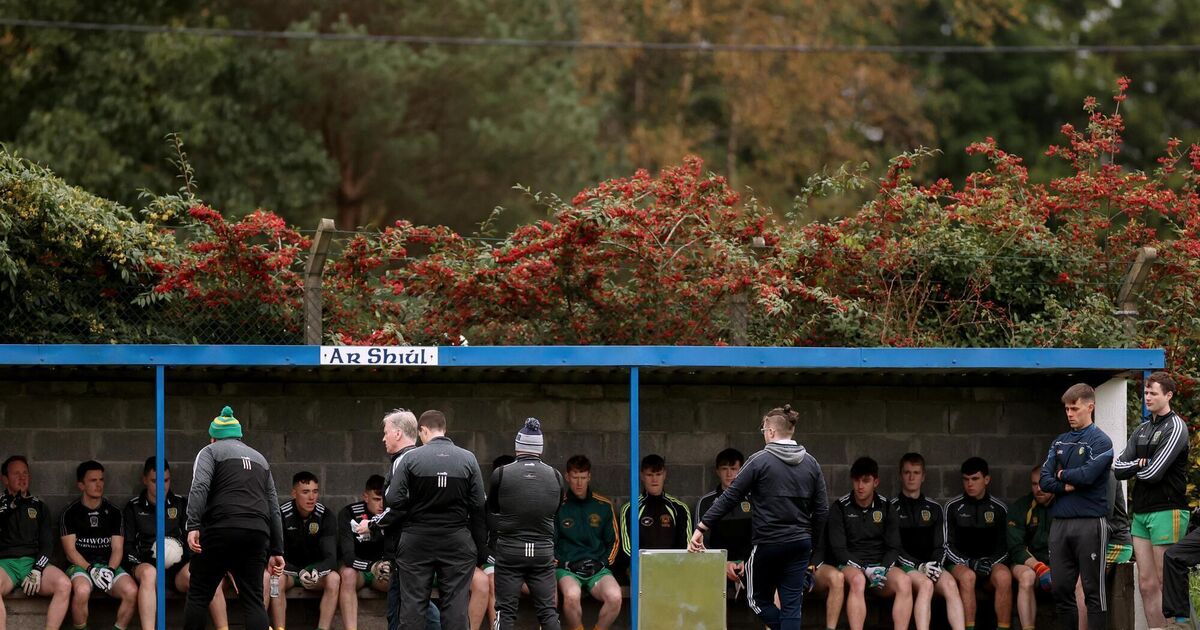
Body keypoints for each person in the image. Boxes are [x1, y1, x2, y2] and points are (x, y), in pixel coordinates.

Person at [689, 404, 829, 630]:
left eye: (763, 430)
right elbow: (822, 510)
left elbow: (730, 497)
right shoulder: (811, 463)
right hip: (800, 544)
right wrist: (810, 544)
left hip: (768, 544)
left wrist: (701, 527)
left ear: (771, 432)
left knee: (755, 599)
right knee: (792, 606)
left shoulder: (759, 460)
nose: (763, 434)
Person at [183, 405, 286, 630]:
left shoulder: (209, 452)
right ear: (240, 436)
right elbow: (274, 507)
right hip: (256, 533)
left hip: (220, 529)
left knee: (199, 594)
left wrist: (193, 524)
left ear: (213, 437)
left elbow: (199, 487)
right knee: (254, 600)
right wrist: (277, 550)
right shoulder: (260, 459)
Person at [389, 409, 488, 629]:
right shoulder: (468, 459)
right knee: (455, 608)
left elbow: (393, 499)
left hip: (416, 541)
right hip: (456, 540)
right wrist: (481, 549)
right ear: (444, 429)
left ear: (423, 430)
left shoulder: (411, 458)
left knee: (413, 607)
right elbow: (479, 505)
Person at [1113, 371, 1189, 630]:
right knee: (1146, 583)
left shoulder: (1176, 426)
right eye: (1145, 393)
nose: (1147, 397)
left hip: (1168, 510)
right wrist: (1138, 463)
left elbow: (1154, 473)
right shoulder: (1142, 429)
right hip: (1141, 512)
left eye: (1153, 393)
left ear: (1168, 395)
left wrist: (1136, 467)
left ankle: (1176, 627)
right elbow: (1118, 467)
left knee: (1166, 579)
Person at [1040, 383, 1114, 630]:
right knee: (1060, 588)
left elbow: (1088, 476)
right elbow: (1043, 480)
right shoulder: (1059, 441)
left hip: (1090, 523)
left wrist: (1060, 475)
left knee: (1094, 591)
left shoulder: (1101, 441)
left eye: (1074, 408)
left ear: (1090, 407)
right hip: (1060, 524)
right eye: (1067, 409)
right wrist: (1064, 483)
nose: (1069, 413)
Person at [123, 456, 228, 630]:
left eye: (165, 480)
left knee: (206, 576)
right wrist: (142, 560)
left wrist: (181, 554)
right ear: (144, 480)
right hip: (148, 566)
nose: (161, 486)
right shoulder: (133, 507)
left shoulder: (180, 504)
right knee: (149, 574)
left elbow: (193, 539)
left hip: (177, 568)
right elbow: (128, 545)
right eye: (155, 481)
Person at [487, 418, 566, 630]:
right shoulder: (556, 476)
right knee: (548, 611)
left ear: (517, 446)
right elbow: (555, 510)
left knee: (505, 611)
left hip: (510, 550)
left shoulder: (501, 473)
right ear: (540, 448)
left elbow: (492, 508)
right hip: (541, 552)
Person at [828, 457, 913, 630]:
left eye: (865, 481)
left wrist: (883, 568)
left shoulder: (887, 507)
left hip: (879, 568)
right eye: (857, 480)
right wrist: (865, 568)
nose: (860, 486)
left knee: (904, 581)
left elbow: (893, 546)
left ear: (876, 482)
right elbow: (839, 550)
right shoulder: (840, 507)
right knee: (858, 580)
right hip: (852, 566)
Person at [58, 460, 138, 630]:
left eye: (101, 479)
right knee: (82, 591)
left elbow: (117, 549)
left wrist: (109, 570)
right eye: (93, 480)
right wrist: (91, 570)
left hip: (108, 565)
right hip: (80, 567)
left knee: (131, 591)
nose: (99, 484)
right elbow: (70, 552)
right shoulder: (70, 513)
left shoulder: (114, 512)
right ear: (81, 485)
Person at [894, 452, 965, 630]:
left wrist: (934, 565)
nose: (911, 477)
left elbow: (942, 545)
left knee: (950, 584)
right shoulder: (891, 507)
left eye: (916, 473)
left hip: (931, 565)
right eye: (907, 472)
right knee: (926, 585)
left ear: (923, 476)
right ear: (900, 475)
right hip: (905, 567)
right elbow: (893, 547)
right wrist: (918, 566)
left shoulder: (935, 508)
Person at [0, 456, 70, 630]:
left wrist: (38, 569)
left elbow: (47, 543)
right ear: (5, 479)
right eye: (16, 473)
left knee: (64, 584)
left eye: (25, 473)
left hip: (32, 563)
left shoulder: (39, 506)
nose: (22, 477)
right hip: (4, 565)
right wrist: (10, 505)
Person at [554, 454, 622, 630]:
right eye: (575, 477)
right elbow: (548, 543)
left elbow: (614, 541)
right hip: (567, 568)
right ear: (567, 477)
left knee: (615, 597)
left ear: (589, 477)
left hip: (597, 569)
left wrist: (603, 563)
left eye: (583, 477)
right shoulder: (558, 506)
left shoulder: (603, 505)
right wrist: (562, 563)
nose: (579, 482)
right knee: (571, 595)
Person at [946, 457, 1012, 630]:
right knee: (968, 576)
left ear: (987, 479)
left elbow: (1006, 546)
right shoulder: (952, 506)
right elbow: (947, 546)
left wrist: (991, 563)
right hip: (962, 565)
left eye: (975, 479)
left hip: (990, 564)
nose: (970, 484)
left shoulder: (999, 508)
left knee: (1004, 576)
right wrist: (970, 563)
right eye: (966, 479)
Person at [270, 471, 340, 630]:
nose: (311, 497)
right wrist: (297, 572)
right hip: (290, 571)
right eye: (305, 492)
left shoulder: (325, 515)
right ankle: (280, 628)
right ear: (294, 493)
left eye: (315, 492)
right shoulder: (281, 514)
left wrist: (317, 570)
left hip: (314, 573)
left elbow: (331, 559)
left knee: (334, 579)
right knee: (276, 579)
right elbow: (274, 555)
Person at [694, 448, 752, 602]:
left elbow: (763, 537)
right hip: (717, 565)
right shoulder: (706, 502)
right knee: (706, 586)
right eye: (724, 469)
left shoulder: (755, 500)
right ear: (717, 471)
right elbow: (700, 544)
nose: (729, 474)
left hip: (750, 564)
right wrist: (722, 564)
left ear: (742, 470)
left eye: (733, 469)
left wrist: (747, 563)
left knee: (774, 579)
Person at [338, 475, 391, 630]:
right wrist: (371, 566)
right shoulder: (349, 513)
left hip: (382, 571)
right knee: (347, 574)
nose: (381, 504)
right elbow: (348, 556)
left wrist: (386, 565)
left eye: (384, 499)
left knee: (402, 579)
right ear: (365, 497)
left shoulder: (391, 516)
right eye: (376, 499)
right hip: (358, 570)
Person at [1009, 465, 1054, 630]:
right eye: (1034, 484)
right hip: (1029, 564)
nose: (1039, 489)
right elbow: (1016, 548)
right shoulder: (1022, 506)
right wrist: (1040, 568)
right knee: (1027, 577)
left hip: (1057, 563)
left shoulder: (1064, 505)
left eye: (1043, 483)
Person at [620, 454, 691, 558]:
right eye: (649, 475)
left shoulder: (680, 508)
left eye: (658, 474)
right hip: (641, 568)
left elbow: (686, 546)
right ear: (642, 476)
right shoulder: (630, 508)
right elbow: (626, 548)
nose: (654, 480)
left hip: (672, 567)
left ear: (664, 475)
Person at [806, 525, 847, 630]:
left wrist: (810, 568)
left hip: (813, 567)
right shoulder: (782, 512)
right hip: (789, 567)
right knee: (777, 579)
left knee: (837, 577)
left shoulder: (820, 513)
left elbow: (820, 548)